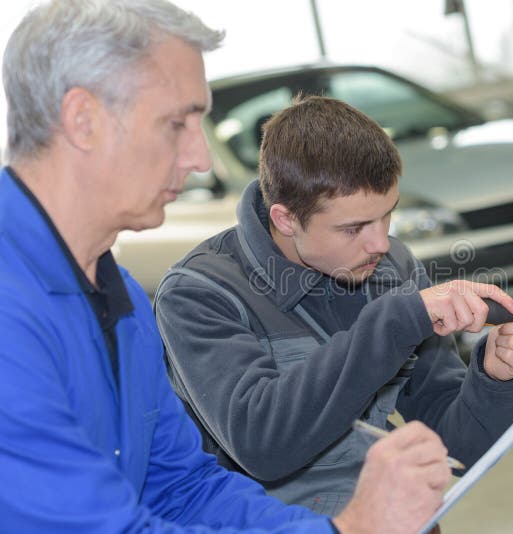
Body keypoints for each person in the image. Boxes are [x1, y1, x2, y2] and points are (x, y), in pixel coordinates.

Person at [0, 1, 454, 532]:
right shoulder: (12, 309)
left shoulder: (115, 294)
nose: (199, 158)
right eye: (177, 123)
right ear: (84, 120)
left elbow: (180, 488)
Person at [154, 95, 513, 513]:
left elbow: (459, 448)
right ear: (285, 219)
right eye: (353, 228)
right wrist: (397, 322)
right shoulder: (200, 294)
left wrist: (494, 377)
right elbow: (262, 444)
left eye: (387, 216)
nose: (380, 243)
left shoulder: (389, 267)